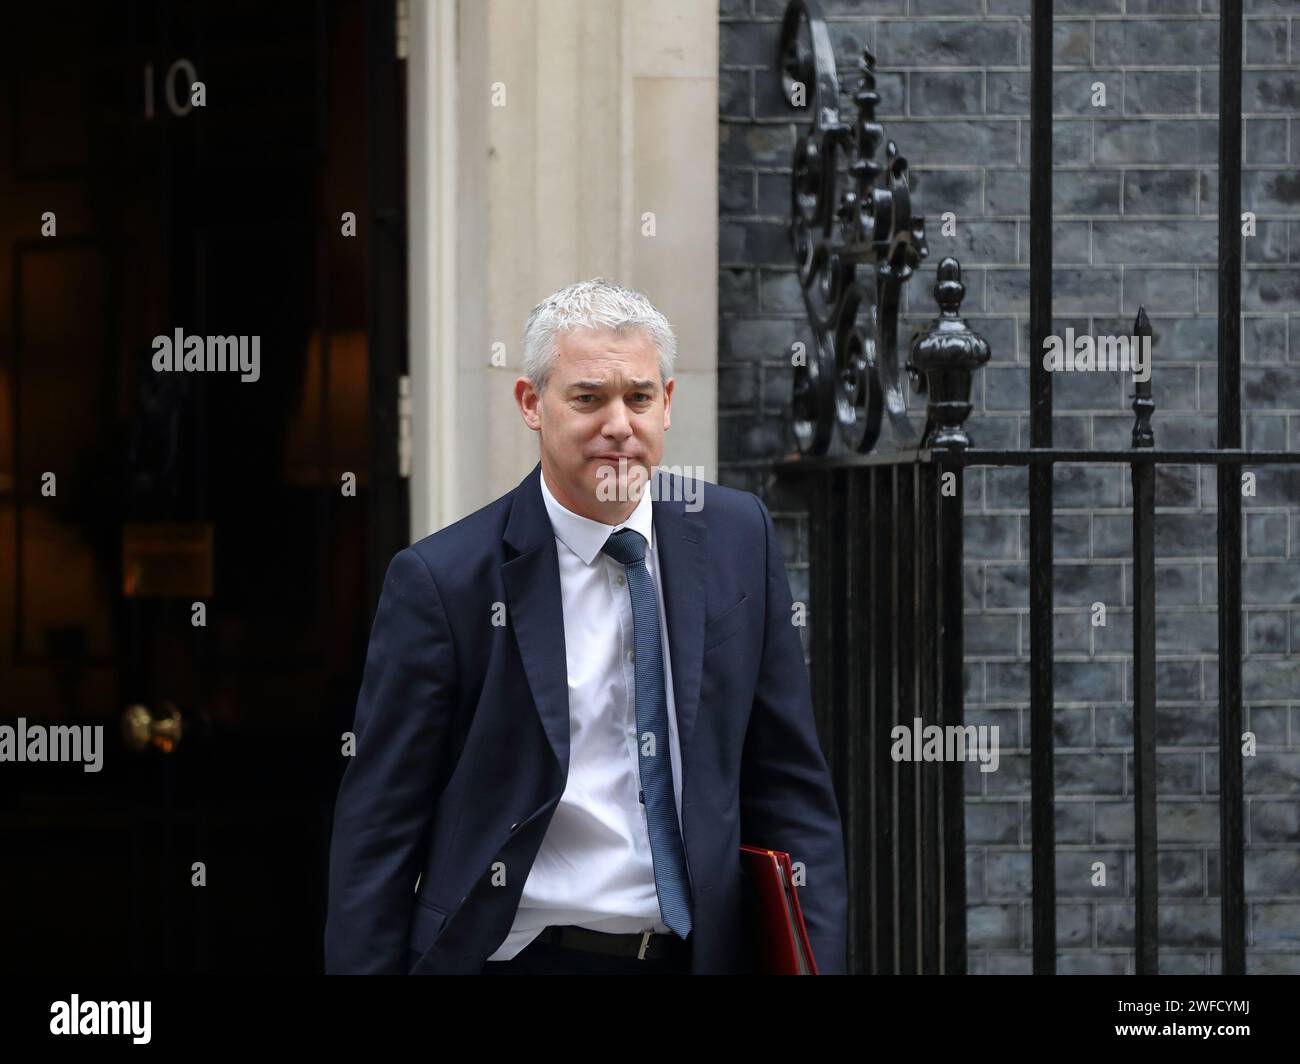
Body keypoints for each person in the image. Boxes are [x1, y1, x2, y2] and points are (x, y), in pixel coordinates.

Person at [324, 279, 847, 975]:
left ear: (666, 403)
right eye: (588, 397)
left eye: (637, 397)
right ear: (531, 405)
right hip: (527, 957)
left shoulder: (736, 536)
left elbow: (789, 785)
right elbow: (379, 827)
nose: (619, 425)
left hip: (699, 957)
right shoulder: (442, 582)